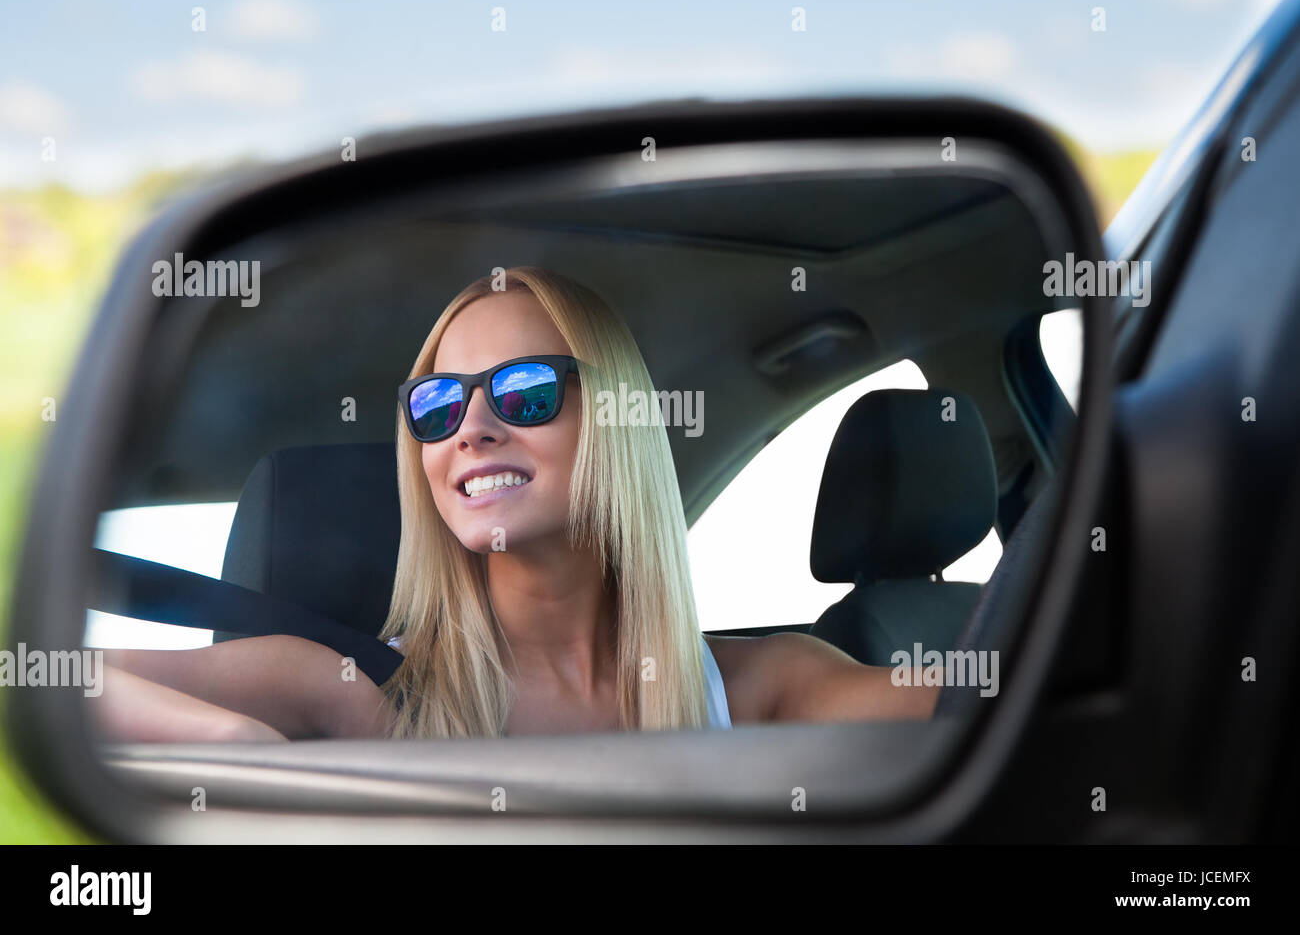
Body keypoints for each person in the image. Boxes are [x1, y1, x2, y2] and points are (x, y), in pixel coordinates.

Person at [95, 267, 939, 742]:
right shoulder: (357, 691)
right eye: (437, 404)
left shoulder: (762, 687)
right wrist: (236, 746)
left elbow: (1008, 706)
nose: (473, 426)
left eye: (526, 390)